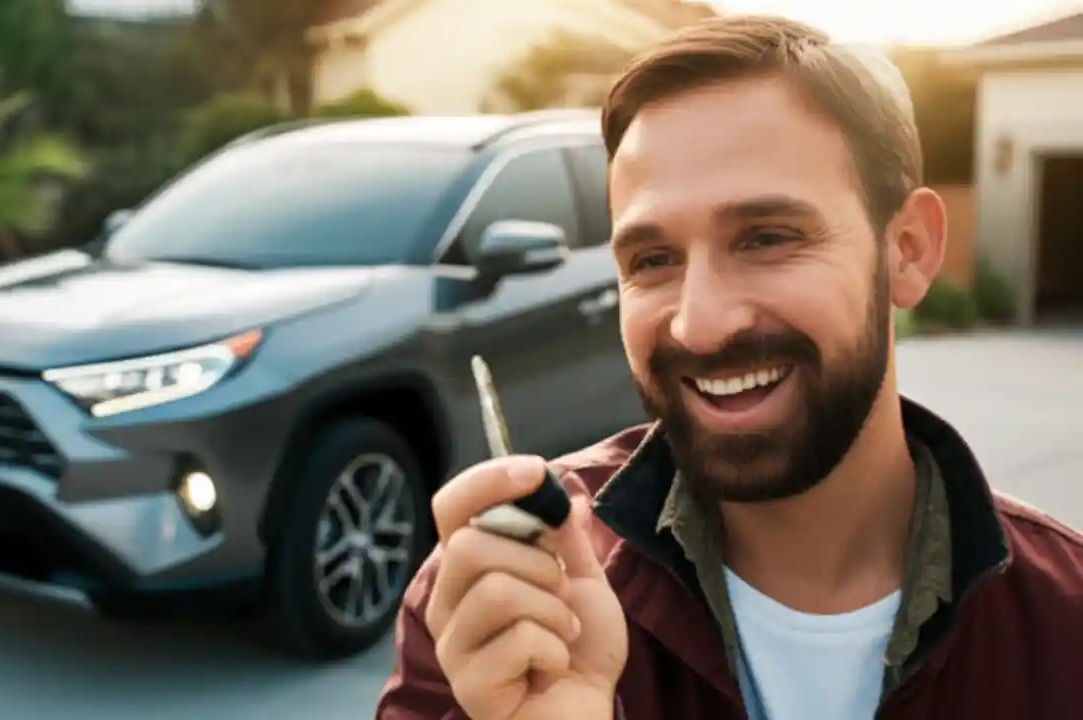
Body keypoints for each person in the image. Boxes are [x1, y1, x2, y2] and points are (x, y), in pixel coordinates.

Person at [376, 14, 1083, 720]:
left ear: (906, 251)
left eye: (767, 238)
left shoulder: (1064, 624)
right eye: (653, 261)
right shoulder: (499, 611)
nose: (700, 324)